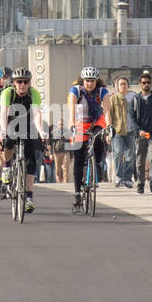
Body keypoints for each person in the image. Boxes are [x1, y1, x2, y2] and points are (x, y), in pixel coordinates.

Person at [0, 67, 47, 212]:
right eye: (19, 82)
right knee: (8, 141)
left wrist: (41, 132)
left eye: (25, 82)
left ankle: (29, 197)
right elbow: (3, 114)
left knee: (31, 159)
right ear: (14, 83)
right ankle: (6, 166)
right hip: (11, 122)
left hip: (28, 124)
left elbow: (37, 115)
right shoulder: (8, 93)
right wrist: (3, 131)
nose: (22, 84)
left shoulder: (34, 93)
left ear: (30, 83)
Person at [68, 66, 109, 209]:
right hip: (80, 123)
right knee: (78, 159)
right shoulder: (76, 91)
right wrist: (72, 124)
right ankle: (78, 192)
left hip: (96, 121)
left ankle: (97, 163)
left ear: (96, 81)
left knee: (99, 138)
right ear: (83, 81)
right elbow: (71, 109)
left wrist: (108, 128)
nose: (89, 83)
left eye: (92, 81)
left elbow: (107, 111)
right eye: (87, 81)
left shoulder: (102, 91)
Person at [105, 76, 136, 187]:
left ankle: (127, 178)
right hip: (118, 130)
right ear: (117, 86)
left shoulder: (134, 97)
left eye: (125, 83)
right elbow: (109, 114)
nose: (123, 86)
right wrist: (109, 131)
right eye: (121, 84)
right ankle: (118, 176)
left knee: (130, 155)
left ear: (128, 85)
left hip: (131, 130)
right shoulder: (112, 98)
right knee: (118, 154)